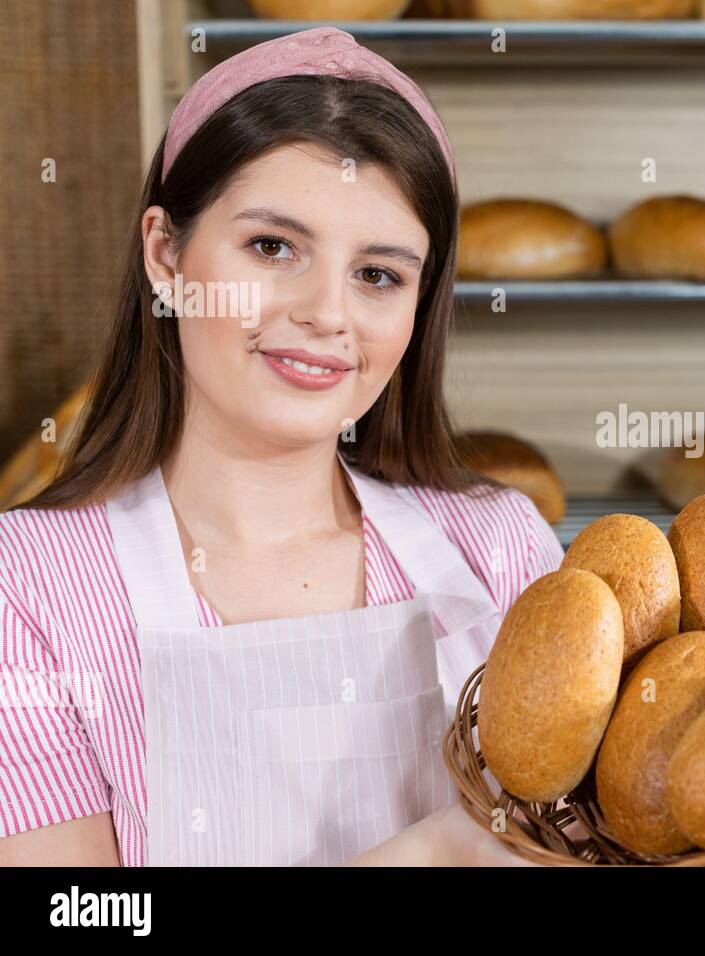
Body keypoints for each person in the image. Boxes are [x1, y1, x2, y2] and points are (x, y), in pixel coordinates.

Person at [0, 27, 558, 867]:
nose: (326, 313)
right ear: (165, 255)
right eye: (273, 247)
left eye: (378, 274)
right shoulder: (29, 586)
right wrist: (438, 853)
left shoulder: (499, 548)